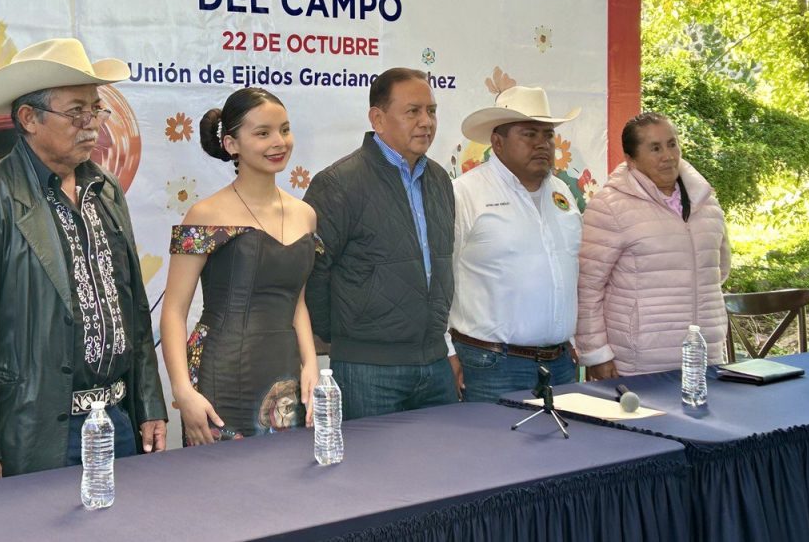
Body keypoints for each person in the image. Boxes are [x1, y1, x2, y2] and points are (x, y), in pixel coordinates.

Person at [0, 39, 167, 483]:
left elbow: (132, 308)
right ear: (28, 119)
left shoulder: (106, 190)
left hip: (118, 420)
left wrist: (150, 405)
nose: (92, 126)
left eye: (97, 110)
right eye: (77, 112)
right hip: (34, 431)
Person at [160, 88, 320, 446]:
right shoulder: (204, 215)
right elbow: (173, 311)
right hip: (221, 372)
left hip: (285, 375)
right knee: (221, 491)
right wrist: (183, 391)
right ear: (232, 144)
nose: (279, 142)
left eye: (285, 129)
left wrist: (311, 365)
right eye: (262, 133)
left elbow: (297, 302)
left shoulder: (306, 215)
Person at [304, 68, 456, 420]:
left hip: (434, 362)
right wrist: (346, 334)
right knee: (369, 474)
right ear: (378, 118)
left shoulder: (440, 180)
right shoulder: (337, 184)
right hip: (367, 370)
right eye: (412, 111)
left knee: (447, 472)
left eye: (431, 111)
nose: (426, 122)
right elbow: (314, 273)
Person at [448, 86, 583, 399]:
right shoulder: (466, 193)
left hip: (561, 365)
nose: (542, 144)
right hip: (492, 366)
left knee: (568, 449)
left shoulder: (562, 192)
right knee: (492, 449)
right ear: (497, 142)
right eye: (529, 134)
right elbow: (441, 276)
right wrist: (446, 351)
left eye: (548, 135)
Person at [577, 112, 731, 378]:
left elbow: (720, 270)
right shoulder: (609, 207)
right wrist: (596, 354)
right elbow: (587, 287)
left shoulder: (706, 202)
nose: (668, 156)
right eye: (655, 148)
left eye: (672, 144)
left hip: (705, 356)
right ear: (631, 159)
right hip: (638, 362)